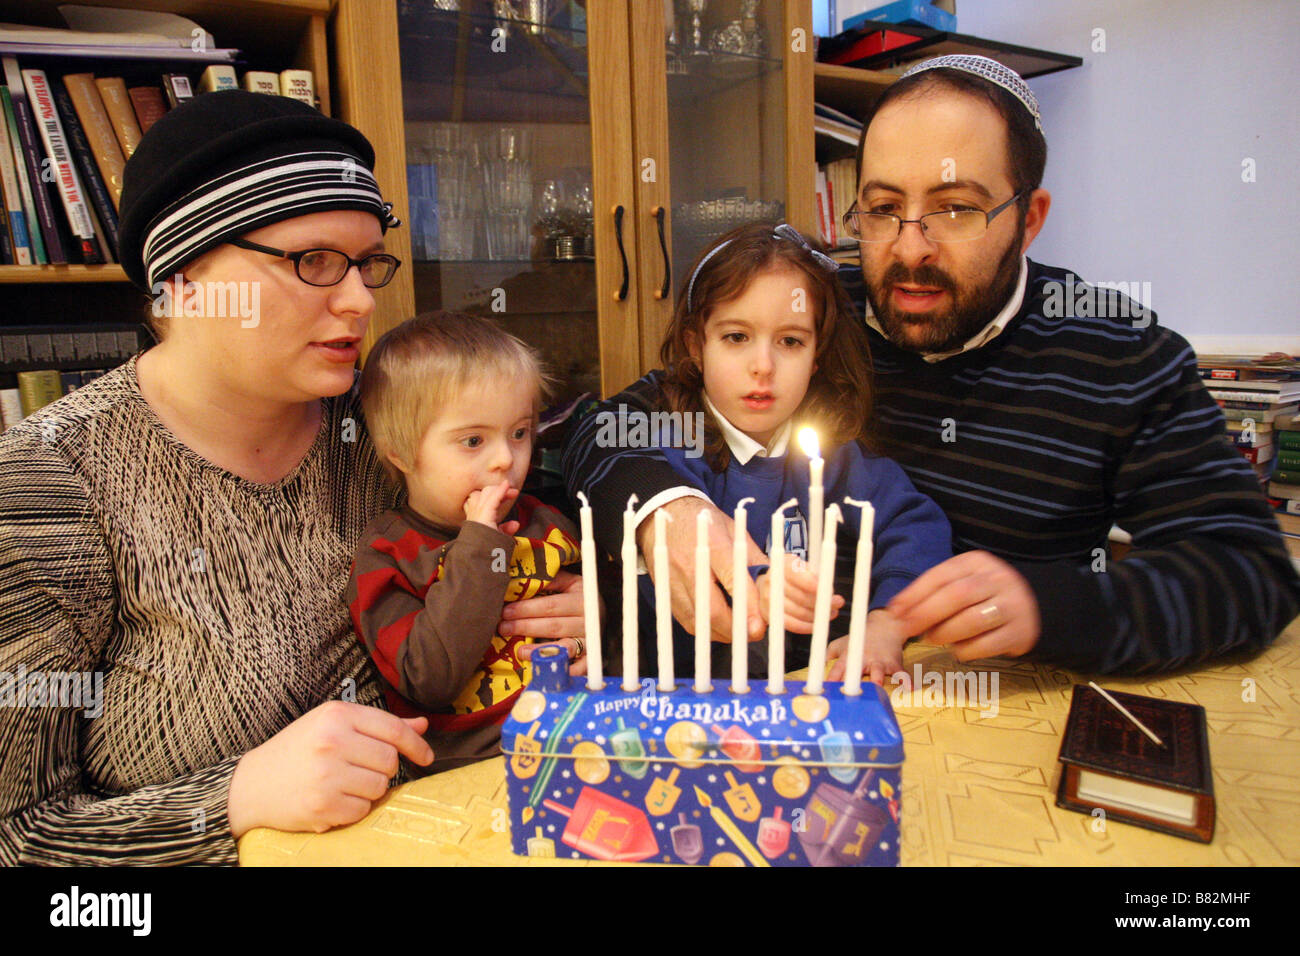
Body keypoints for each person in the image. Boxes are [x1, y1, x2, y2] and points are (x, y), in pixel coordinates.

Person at [564, 55, 1300, 677]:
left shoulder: (1122, 354)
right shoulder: (805, 314)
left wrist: (1053, 605)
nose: (910, 248)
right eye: (883, 208)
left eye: (954, 208)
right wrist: (666, 515)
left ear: (1030, 216)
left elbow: (1251, 575)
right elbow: (605, 430)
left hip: (985, 725)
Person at [0, 92, 583, 865]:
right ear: (183, 277)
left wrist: (577, 606)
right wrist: (233, 800)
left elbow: (577, 460)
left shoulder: (384, 425)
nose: (360, 300)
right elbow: (19, 833)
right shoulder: (47, 485)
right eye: (313, 262)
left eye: (368, 263)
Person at [636, 222, 950, 683]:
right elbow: (654, 584)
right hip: (687, 702)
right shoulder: (670, 455)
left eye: (790, 341)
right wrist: (758, 582)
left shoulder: (833, 457)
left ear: (816, 355)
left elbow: (916, 526)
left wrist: (887, 621)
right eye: (736, 337)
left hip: (807, 695)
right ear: (695, 346)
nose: (763, 367)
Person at [347, 311, 583, 774]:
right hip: (463, 771)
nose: (505, 459)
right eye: (473, 440)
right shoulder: (387, 557)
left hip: (572, 740)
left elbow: (613, 627)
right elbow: (428, 679)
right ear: (401, 452)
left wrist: (594, 624)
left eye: (519, 433)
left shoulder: (547, 523)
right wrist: (481, 546)